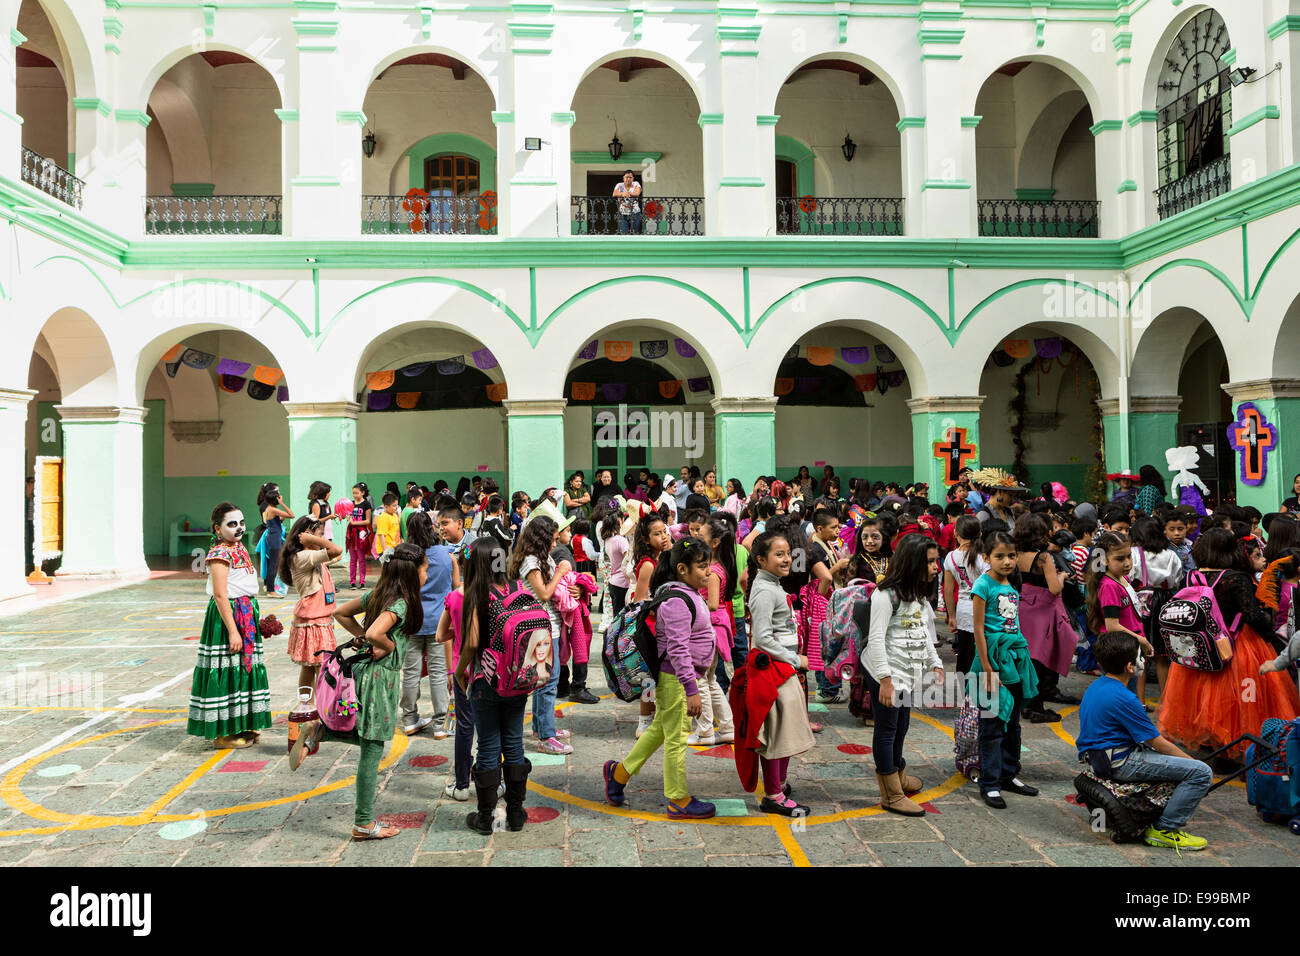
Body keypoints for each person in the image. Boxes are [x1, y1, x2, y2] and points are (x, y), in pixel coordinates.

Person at [291, 544, 427, 841]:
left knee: (369, 737)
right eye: (424, 568)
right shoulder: (401, 603)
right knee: (373, 746)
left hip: (364, 674)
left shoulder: (379, 594)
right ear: (411, 572)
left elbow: (341, 612)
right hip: (380, 681)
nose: (426, 573)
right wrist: (384, 645)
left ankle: (321, 733)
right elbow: (379, 632)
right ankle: (363, 823)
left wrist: (364, 640)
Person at [602, 538, 720, 819]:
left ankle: (618, 774)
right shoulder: (677, 601)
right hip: (678, 680)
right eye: (702, 567)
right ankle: (678, 799)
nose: (708, 572)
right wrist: (691, 689)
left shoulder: (684, 593)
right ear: (682, 568)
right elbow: (678, 650)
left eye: (709, 565)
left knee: (660, 730)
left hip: (676, 679)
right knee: (677, 738)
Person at [1159, 527, 1300, 758]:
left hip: (1201, 645)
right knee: (1243, 701)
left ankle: (1213, 744)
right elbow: (1252, 615)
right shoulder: (1236, 578)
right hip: (1238, 644)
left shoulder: (1191, 575)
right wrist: (1273, 639)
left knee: (1203, 697)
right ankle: (1238, 751)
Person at [1077, 632, 1213, 851]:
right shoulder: (1124, 697)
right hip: (1120, 762)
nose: (1144, 660)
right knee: (1201, 773)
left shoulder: (1098, 685)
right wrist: (1194, 763)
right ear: (1130, 667)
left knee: (1187, 767)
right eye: (1141, 657)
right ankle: (1165, 830)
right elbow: (1157, 743)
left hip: (1101, 757)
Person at [854, 534, 944, 817]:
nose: (936, 567)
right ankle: (891, 793)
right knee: (887, 729)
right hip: (887, 672)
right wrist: (885, 679)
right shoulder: (885, 595)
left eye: (936, 560)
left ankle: (900, 776)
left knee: (902, 725)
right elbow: (877, 639)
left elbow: (923, 632)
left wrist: (935, 662)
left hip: (906, 671)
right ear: (912, 562)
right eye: (929, 561)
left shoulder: (917, 593)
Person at [452, 538, 531, 833]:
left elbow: (472, 641)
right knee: (513, 741)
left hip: (485, 681)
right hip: (516, 678)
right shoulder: (517, 588)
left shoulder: (477, 593)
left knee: (487, 744)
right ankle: (516, 813)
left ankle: (485, 817)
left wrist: (460, 673)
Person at [187, 503, 273, 749]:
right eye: (232, 524)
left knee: (243, 670)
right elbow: (220, 595)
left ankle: (242, 724)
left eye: (242, 523)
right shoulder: (219, 554)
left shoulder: (239, 549)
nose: (239, 528)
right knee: (226, 667)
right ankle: (223, 735)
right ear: (218, 528)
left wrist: (257, 621)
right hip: (227, 619)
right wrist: (234, 630)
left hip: (245, 612)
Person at [744, 530, 816, 815]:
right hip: (773, 670)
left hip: (782, 669)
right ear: (761, 560)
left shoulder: (773, 586)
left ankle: (780, 785)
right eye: (779, 554)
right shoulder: (764, 591)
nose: (787, 559)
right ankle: (773, 795)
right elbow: (762, 638)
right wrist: (794, 659)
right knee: (775, 736)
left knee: (784, 732)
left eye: (788, 553)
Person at [970, 529, 1039, 809]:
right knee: (992, 724)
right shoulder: (982, 586)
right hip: (992, 662)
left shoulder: (1012, 587)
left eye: (1011, 556)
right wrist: (987, 668)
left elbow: (1014, 625)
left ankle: (1009, 774)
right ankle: (990, 782)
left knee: (1013, 723)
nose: (1007, 561)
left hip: (1015, 660)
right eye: (999, 556)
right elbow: (978, 629)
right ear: (986, 557)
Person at [511, 504, 577, 756]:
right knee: (548, 683)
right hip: (539, 627)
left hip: (549, 626)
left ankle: (540, 727)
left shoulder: (541, 557)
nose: (555, 543)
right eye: (551, 539)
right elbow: (544, 593)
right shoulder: (530, 561)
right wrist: (561, 572)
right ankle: (547, 737)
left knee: (545, 681)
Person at [1016, 514, 1076, 723]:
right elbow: (1054, 588)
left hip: (1022, 608)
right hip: (1042, 611)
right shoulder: (1043, 558)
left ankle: (1027, 704)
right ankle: (1037, 708)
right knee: (1042, 660)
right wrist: (1062, 576)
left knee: (1028, 659)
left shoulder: (1014, 553)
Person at [401, 511, 455, 737]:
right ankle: (440, 723)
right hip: (438, 621)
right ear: (431, 528)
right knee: (438, 673)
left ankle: (410, 719)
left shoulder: (403, 556)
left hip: (411, 619)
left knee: (411, 672)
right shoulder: (446, 553)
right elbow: (455, 584)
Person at [280, 516, 342, 701]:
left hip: (317, 620)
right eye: (320, 535)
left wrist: (314, 539)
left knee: (309, 667)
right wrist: (310, 539)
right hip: (313, 622)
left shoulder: (311, 558)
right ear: (307, 536)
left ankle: (306, 704)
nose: (323, 539)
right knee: (322, 667)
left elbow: (335, 555)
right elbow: (336, 550)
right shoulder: (303, 556)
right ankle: (321, 707)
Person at [690, 516, 737, 745]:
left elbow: (712, 604)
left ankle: (705, 731)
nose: (698, 535)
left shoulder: (714, 571)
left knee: (701, 680)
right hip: (714, 629)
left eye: (703, 533)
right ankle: (727, 727)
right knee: (710, 680)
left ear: (715, 542)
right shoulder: (717, 565)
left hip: (709, 629)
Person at [630, 511, 673, 736]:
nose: (663, 537)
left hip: (665, 624)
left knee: (662, 675)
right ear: (646, 539)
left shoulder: (666, 558)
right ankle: (644, 720)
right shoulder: (647, 564)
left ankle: (658, 717)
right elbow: (639, 600)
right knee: (649, 676)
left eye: (665, 532)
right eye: (657, 534)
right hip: (650, 626)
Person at [942, 515, 988, 674]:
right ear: (980, 534)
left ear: (955, 533)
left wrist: (952, 616)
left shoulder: (950, 557)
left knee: (965, 656)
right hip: (984, 611)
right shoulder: (985, 557)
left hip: (963, 612)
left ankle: (966, 696)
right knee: (983, 655)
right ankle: (985, 694)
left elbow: (948, 590)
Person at [257, 482, 293, 596]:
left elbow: (280, 518)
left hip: (274, 537)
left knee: (274, 564)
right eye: (278, 496)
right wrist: (282, 504)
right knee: (273, 564)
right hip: (273, 538)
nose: (280, 497)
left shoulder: (270, 509)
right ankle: (271, 590)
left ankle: (271, 588)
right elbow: (291, 515)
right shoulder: (272, 509)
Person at [345, 482, 374, 589]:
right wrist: (347, 518)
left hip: (361, 534)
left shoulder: (366, 504)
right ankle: (352, 581)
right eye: (353, 493)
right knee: (353, 559)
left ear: (362, 493)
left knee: (361, 559)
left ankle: (362, 581)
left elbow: (367, 521)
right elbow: (348, 517)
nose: (355, 495)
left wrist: (354, 523)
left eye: (357, 493)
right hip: (352, 534)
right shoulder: (351, 504)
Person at [613, 169, 642, 234]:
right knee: (624, 233)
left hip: (635, 213)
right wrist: (622, 194)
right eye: (626, 177)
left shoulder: (636, 184)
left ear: (633, 178)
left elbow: (637, 193)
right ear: (623, 178)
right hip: (622, 213)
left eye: (630, 177)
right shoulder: (619, 185)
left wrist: (627, 193)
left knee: (634, 233)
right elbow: (614, 194)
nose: (628, 179)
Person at [373, 492, 403, 556]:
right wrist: (385, 551)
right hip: (386, 550)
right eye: (394, 506)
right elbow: (381, 535)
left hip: (395, 547)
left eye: (397, 505)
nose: (396, 507)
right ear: (386, 506)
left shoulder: (395, 515)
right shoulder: (383, 518)